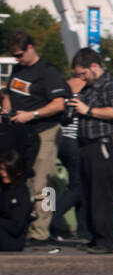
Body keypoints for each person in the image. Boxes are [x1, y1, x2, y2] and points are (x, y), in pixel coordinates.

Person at [1, 30, 71, 245]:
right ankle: (23, 225)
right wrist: (7, 111)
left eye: (20, 54)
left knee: (44, 184)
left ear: (30, 48)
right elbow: (10, 95)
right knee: (20, 181)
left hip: (44, 131)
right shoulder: (19, 69)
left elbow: (60, 103)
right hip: (21, 133)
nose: (17, 59)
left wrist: (32, 114)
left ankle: (41, 231)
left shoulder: (47, 72)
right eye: (14, 56)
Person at [67, 48, 113, 254]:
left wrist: (88, 110)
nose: (81, 78)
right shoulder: (88, 88)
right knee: (88, 193)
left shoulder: (110, 85)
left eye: (82, 73)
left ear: (93, 67)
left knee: (102, 194)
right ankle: (94, 235)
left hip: (104, 145)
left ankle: (106, 240)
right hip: (86, 145)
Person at [49, 75, 90, 244]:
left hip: (61, 139)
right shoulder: (85, 89)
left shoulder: (64, 85)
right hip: (75, 141)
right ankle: (51, 219)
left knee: (81, 185)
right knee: (78, 187)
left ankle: (84, 231)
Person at [0, 150, 32, 251]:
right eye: (1, 170)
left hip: (12, 240)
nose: (3, 174)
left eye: (7, 171)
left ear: (18, 172)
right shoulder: (3, 187)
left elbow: (16, 227)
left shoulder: (22, 192)